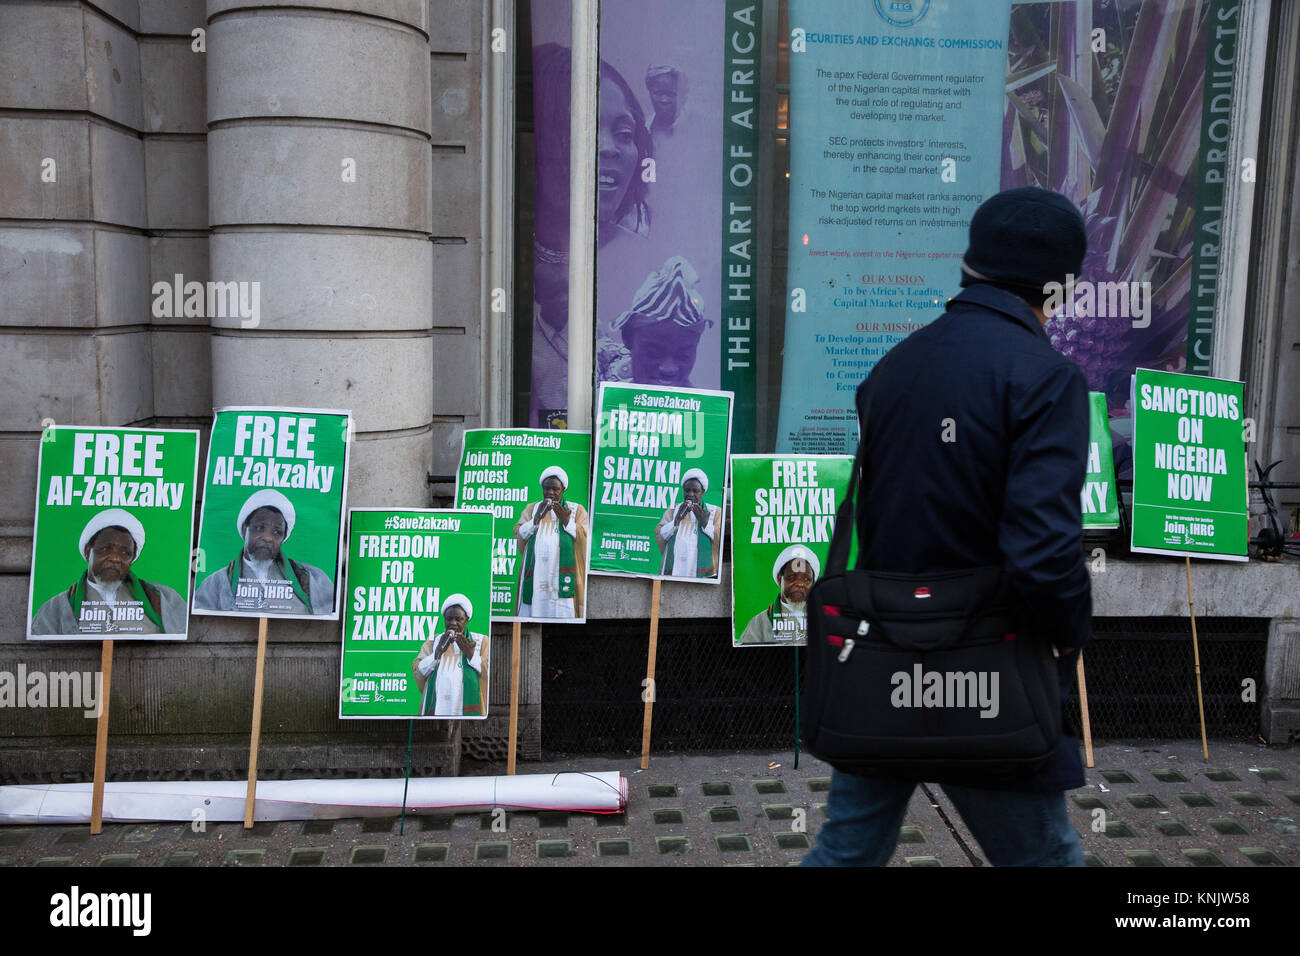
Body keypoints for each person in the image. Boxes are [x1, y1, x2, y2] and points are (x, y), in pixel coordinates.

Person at [802, 187, 1093, 867]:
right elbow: (1044, 554)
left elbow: (880, 518)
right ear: (1059, 287)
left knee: (846, 850)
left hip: (880, 662)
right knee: (1045, 859)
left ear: (970, 264)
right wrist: (1072, 629)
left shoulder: (896, 367)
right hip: (989, 665)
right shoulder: (1046, 378)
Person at [31, 508, 188, 636]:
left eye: (125, 553)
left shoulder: (165, 598)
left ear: (132, 559)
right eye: (106, 549)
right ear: (88, 552)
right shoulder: (56, 608)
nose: (115, 558)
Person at [193, 489, 335, 615]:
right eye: (260, 528)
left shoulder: (312, 579)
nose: (267, 538)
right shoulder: (214, 584)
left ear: (283, 538)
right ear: (244, 529)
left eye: (276, 532)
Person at [609, 256, 712, 388]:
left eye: (684, 356)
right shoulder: (608, 388)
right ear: (627, 338)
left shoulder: (703, 406)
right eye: (654, 353)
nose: (669, 369)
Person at [513, 466, 589, 619]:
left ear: (563, 489)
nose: (550, 493)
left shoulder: (576, 510)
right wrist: (535, 520)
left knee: (562, 612)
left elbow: (586, 537)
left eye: (556, 489)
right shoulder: (532, 508)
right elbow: (519, 534)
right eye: (546, 488)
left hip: (561, 578)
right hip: (536, 575)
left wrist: (567, 521)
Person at [412, 594, 487, 717]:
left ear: (467, 619)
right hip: (437, 711)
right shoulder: (433, 641)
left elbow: (488, 672)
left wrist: (471, 654)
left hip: (466, 714)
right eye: (448, 619)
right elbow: (419, 671)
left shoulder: (481, 641)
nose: (453, 623)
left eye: (458, 619)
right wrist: (437, 653)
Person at [738, 545, 819, 646]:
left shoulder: (822, 617)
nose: (799, 583)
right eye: (792, 576)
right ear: (780, 579)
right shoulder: (760, 622)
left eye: (806, 579)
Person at [656, 468, 722, 578]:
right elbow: (660, 536)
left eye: (695, 491)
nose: (690, 494)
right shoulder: (673, 510)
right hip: (675, 570)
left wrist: (705, 523)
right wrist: (676, 521)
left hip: (701, 574)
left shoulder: (714, 512)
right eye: (687, 490)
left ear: (703, 492)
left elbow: (721, 540)